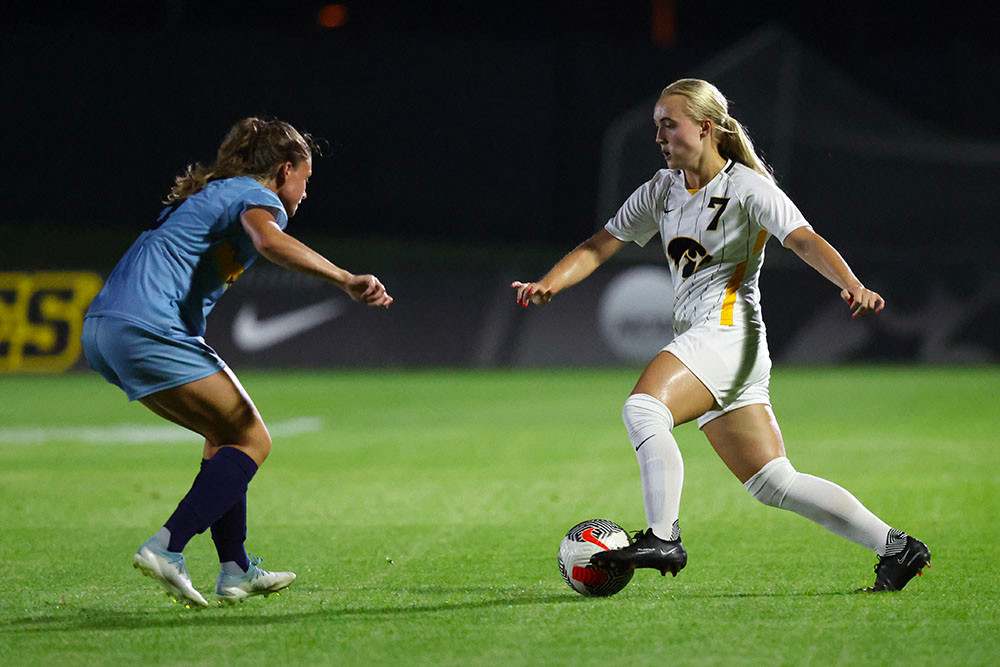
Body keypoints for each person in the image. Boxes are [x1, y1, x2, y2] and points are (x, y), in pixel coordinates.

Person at [512, 79, 930, 592]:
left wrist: (852, 285)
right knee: (774, 482)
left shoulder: (747, 188)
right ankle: (898, 548)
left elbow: (803, 240)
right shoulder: (663, 189)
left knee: (644, 410)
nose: (660, 136)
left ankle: (665, 537)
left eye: (670, 124)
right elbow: (600, 245)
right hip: (722, 346)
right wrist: (548, 284)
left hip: (727, 335)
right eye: (656, 126)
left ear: (706, 128)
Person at [82, 118, 393, 607]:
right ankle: (167, 546)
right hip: (146, 327)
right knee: (252, 439)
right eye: (305, 181)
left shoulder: (215, 192)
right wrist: (344, 278)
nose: (304, 195)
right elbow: (268, 241)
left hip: (104, 329)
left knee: (224, 436)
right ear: (285, 170)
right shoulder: (256, 196)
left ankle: (235, 569)